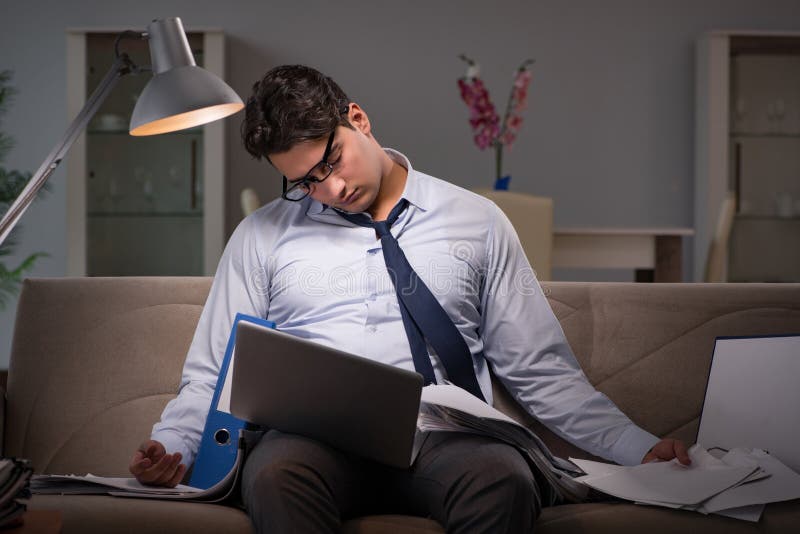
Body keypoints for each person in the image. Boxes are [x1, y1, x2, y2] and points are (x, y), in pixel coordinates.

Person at [129, 65, 689, 533]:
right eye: (304, 183)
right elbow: (213, 369)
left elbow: (540, 368)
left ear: (358, 120)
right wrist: (172, 447)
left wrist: (637, 447)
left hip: (448, 439)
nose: (330, 191)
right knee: (275, 476)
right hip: (310, 443)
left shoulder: (477, 222)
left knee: (504, 479)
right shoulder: (261, 235)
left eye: (330, 163)